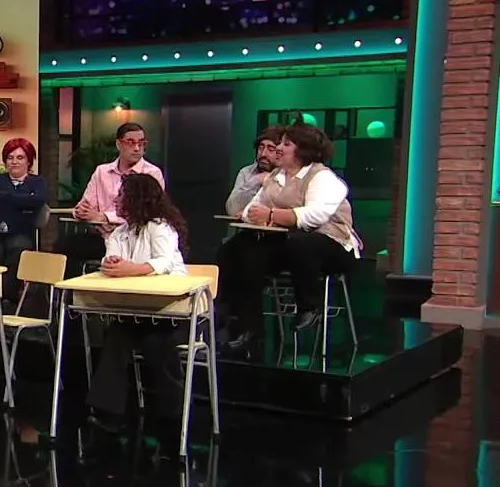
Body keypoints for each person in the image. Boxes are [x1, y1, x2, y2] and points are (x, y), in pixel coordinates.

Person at [217, 123, 361, 353]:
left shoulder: (322, 177)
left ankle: (308, 306)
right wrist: (253, 216)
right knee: (239, 248)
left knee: (302, 243)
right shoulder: (277, 176)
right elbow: (253, 208)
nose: (279, 149)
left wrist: (272, 215)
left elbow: (315, 216)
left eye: (286, 144)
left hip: (331, 244)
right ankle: (247, 325)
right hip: (290, 244)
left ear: (303, 149)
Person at [83, 173, 189, 417]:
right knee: (115, 336)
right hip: (138, 311)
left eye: (121, 195)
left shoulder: (160, 227)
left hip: (171, 314)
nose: (117, 200)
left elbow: (163, 262)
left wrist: (132, 269)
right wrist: (111, 264)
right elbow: (111, 257)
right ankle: (106, 412)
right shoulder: (120, 232)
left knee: (156, 344)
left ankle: (172, 413)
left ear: (137, 199)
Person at [0, 137, 48, 305]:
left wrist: (5, 196)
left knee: (17, 249)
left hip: (21, 231)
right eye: (10, 157)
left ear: (29, 161)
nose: (14, 162)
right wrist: (23, 201)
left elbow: (38, 201)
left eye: (20, 157)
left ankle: (8, 297)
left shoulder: (38, 182)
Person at [73, 123, 166, 237]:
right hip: (101, 237)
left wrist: (104, 217)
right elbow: (85, 205)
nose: (137, 148)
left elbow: (148, 212)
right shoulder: (101, 171)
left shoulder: (151, 173)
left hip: (135, 238)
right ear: (118, 144)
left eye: (141, 143)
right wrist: (81, 212)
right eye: (131, 142)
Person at [225, 126, 283, 215]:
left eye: (271, 149)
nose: (263, 154)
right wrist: (255, 180)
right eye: (261, 148)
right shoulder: (246, 172)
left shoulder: (288, 174)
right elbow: (232, 210)